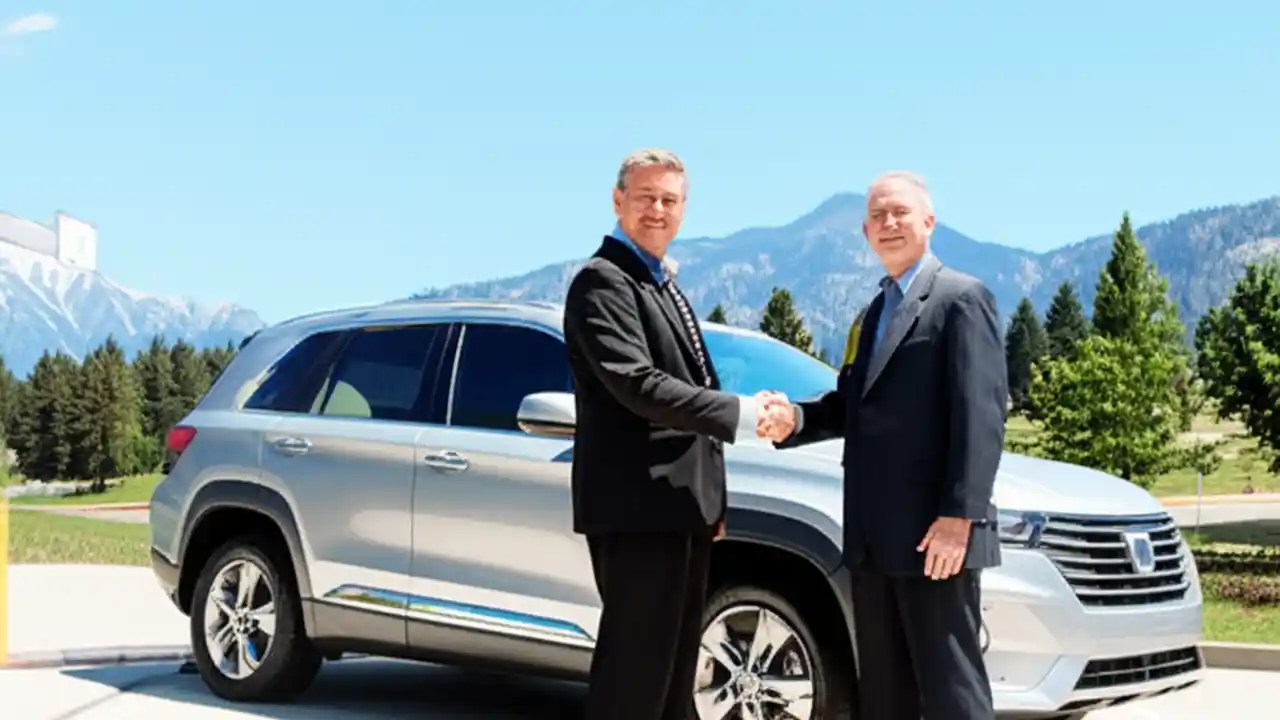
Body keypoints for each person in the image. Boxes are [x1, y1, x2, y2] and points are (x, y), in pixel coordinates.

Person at [759, 170, 1007, 719]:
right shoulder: (875, 312)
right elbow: (853, 403)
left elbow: (981, 418)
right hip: (873, 541)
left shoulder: (961, 299)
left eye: (899, 212)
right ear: (866, 232)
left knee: (952, 696)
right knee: (886, 697)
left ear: (928, 221)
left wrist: (957, 518)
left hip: (936, 541)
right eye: (877, 216)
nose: (888, 223)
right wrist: (794, 419)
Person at [563, 148, 779, 720]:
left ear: (684, 209)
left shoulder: (660, 282)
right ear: (617, 201)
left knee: (673, 679)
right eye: (645, 197)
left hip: (683, 511)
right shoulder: (601, 283)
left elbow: (688, 391)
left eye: (669, 200)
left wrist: (714, 499)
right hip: (638, 510)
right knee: (634, 681)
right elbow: (640, 386)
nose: (657, 210)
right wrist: (742, 413)